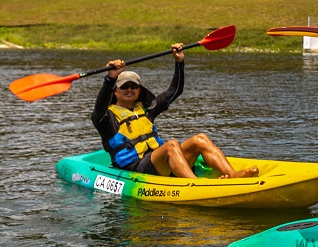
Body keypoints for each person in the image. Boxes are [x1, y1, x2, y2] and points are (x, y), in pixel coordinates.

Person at [91, 43, 257, 179]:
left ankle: (233, 175)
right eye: (124, 86)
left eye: (134, 86)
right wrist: (110, 78)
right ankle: (196, 186)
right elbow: (99, 107)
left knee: (201, 139)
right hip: (137, 169)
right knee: (171, 145)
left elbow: (174, 91)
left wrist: (179, 62)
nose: (129, 89)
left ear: (140, 90)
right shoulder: (106, 118)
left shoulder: (147, 109)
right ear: (115, 91)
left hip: (161, 163)